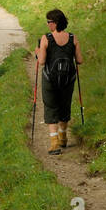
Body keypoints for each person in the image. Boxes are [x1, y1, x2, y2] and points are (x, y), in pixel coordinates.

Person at [36, 9, 82, 155]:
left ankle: (54, 143)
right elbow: (80, 60)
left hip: (50, 78)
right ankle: (63, 136)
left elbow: (42, 61)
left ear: (55, 23)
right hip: (68, 79)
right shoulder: (73, 38)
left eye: (49, 22)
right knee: (64, 105)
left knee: (51, 106)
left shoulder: (46, 38)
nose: (48, 24)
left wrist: (37, 52)